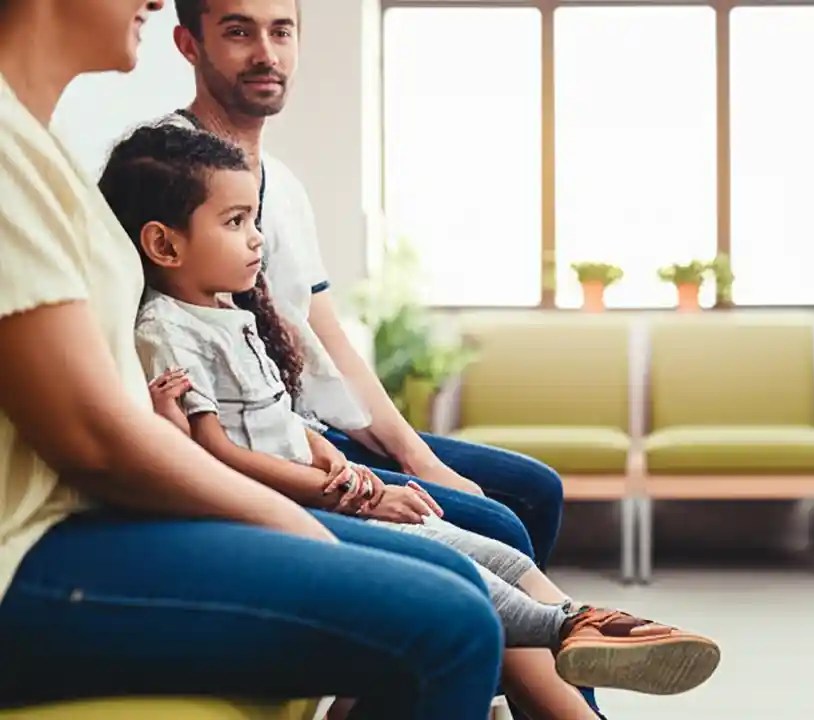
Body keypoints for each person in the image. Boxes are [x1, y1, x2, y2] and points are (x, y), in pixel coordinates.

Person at [106, 123, 721, 718]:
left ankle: (579, 630)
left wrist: (339, 462)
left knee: (505, 557)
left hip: (321, 489)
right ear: (164, 244)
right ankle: (574, 627)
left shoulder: (230, 314)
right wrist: (340, 488)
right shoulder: (167, 332)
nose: (257, 238)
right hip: (288, 510)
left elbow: (280, 418)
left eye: (253, 219)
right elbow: (216, 454)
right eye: (236, 222)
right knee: (460, 579)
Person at [0, 2, 506, 718]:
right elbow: (93, 440)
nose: (150, 0)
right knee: (450, 624)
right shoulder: (8, 151)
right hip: (27, 552)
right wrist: (291, 515)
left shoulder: (38, 146)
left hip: (91, 519)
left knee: (454, 578)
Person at [162, 0, 565, 569]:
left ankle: (550, 643)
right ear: (188, 45)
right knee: (498, 523)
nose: (266, 54)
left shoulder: (288, 190)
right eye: (238, 32)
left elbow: (326, 339)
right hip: (257, 436)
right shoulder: (163, 166)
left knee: (535, 489)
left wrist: (416, 455)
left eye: (282, 31)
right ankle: (520, 649)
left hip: (314, 427)